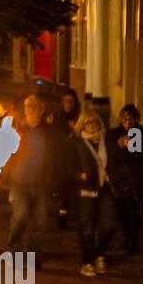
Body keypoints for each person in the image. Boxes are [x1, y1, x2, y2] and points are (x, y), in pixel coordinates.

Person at [71, 111, 116, 277]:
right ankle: (87, 262)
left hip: (105, 187)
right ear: (82, 125)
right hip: (87, 188)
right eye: (89, 123)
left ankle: (99, 253)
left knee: (109, 224)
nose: (92, 125)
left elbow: (115, 161)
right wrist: (79, 174)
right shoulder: (77, 143)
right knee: (87, 227)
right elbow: (69, 164)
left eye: (95, 122)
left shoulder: (107, 141)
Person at [7, 95, 51, 258]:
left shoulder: (47, 132)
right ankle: (14, 248)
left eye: (36, 107)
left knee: (40, 220)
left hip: (40, 183)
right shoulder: (18, 129)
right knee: (21, 215)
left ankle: (34, 255)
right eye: (29, 107)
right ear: (24, 109)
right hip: (19, 182)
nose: (32, 110)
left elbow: (53, 156)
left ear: (42, 110)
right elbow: (7, 152)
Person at [106, 104, 143, 255]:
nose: (128, 121)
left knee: (133, 210)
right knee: (121, 211)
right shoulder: (114, 134)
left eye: (131, 119)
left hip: (133, 178)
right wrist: (118, 145)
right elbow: (109, 153)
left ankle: (133, 242)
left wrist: (131, 146)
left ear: (135, 119)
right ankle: (125, 237)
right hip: (118, 178)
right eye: (125, 118)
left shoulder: (140, 133)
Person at [46, 88, 82, 228]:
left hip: (72, 157)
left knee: (68, 186)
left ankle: (63, 213)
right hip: (57, 156)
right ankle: (59, 210)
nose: (68, 104)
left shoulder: (78, 118)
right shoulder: (56, 116)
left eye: (71, 101)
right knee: (57, 186)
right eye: (66, 101)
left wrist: (75, 130)